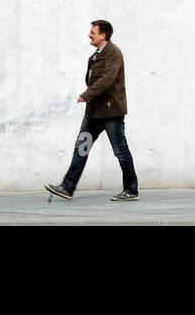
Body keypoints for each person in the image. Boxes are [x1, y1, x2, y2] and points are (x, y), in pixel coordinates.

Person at [46, 20, 139, 201]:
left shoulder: (113, 53)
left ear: (102, 35)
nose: (89, 35)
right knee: (82, 147)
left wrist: (87, 95)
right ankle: (67, 187)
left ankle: (131, 190)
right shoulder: (96, 55)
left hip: (111, 112)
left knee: (120, 150)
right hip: (94, 113)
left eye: (92, 32)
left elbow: (107, 79)